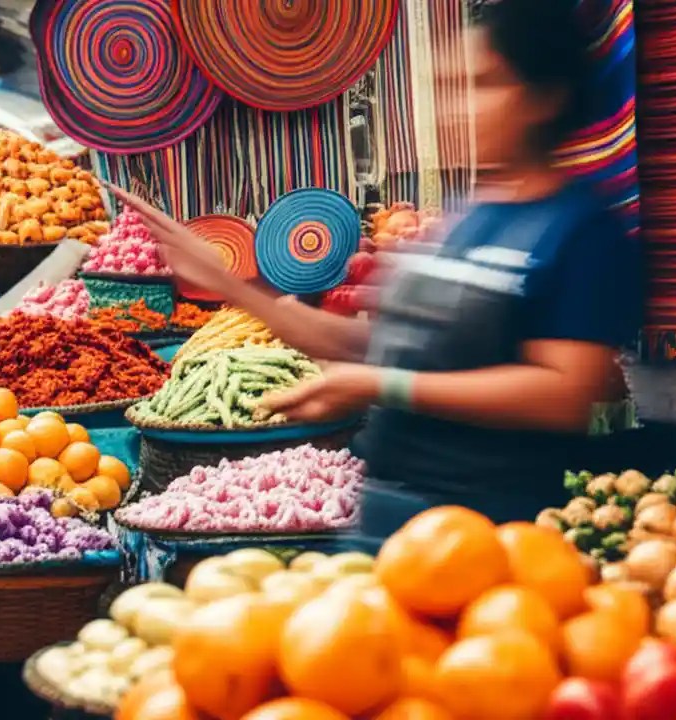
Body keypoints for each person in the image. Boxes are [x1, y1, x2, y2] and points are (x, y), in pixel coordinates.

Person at [107, 0, 643, 541]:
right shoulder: (470, 217)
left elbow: (569, 395)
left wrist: (382, 386)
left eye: (484, 85)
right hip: (393, 521)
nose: (459, 108)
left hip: (491, 533)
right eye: (454, 88)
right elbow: (375, 343)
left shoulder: (578, 230)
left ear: (545, 98)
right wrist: (226, 283)